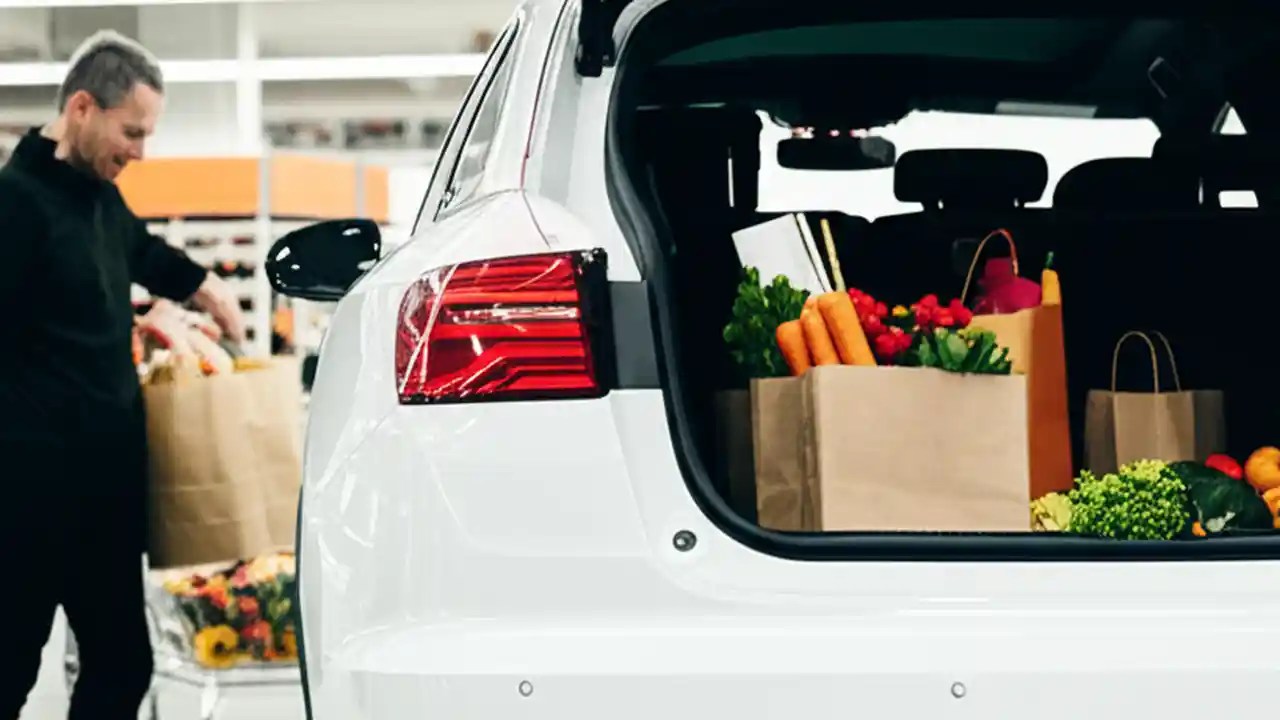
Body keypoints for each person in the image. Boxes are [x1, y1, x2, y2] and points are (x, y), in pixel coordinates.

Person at [0, 30, 245, 718]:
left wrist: (203, 290)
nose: (140, 152)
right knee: (10, 663)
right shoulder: (16, 206)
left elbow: (138, 253)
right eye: (132, 132)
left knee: (121, 665)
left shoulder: (98, 199)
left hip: (102, 497)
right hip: (29, 495)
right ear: (83, 108)